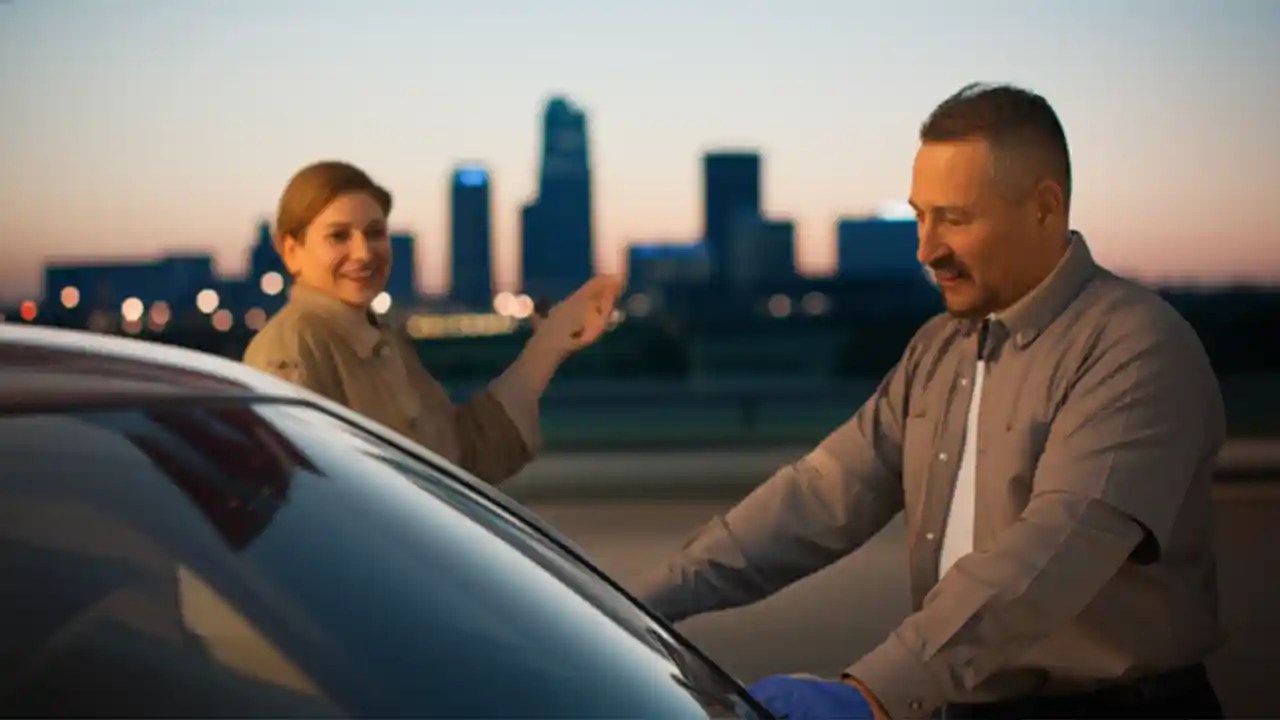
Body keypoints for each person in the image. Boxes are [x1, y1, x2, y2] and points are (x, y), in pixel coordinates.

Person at [633, 83, 1227, 719]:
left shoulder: (1136, 348)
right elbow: (820, 495)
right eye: (921, 215)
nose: (926, 248)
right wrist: (642, 598)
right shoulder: (939, 350)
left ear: (1044, 209)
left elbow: (1050, 557)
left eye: (955, 218)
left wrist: (872, 694)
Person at [244, 160, 620, 485]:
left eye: (375, 233)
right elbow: (296, 506)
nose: (363, 253)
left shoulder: (380, 342)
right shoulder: (294, 348)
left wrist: (550, 343)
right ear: (291, 251)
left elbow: (462, 456)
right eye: (338, 236)